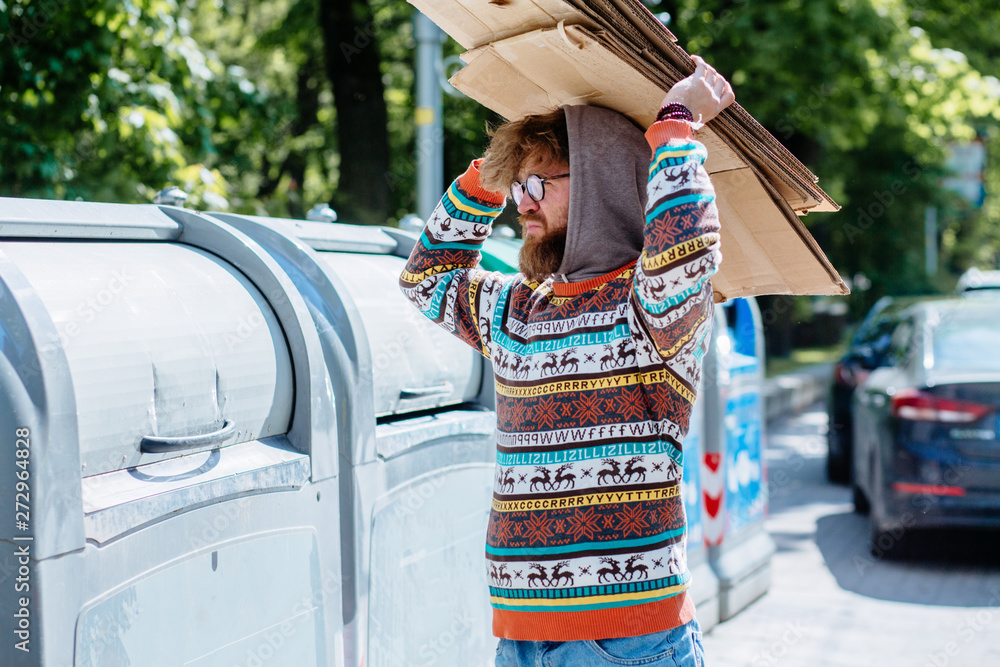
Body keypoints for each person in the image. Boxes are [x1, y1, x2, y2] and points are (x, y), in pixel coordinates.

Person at [399, 56, 734, 666]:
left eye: (538, 185)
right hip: (522, 638)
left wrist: (677, 123)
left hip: (627, 640)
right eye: (516, 192)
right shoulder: (518, 309)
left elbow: (684, 251)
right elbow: (427, 278)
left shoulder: (649, 308)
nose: (520, 207)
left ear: (601, 183)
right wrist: (490, 179)